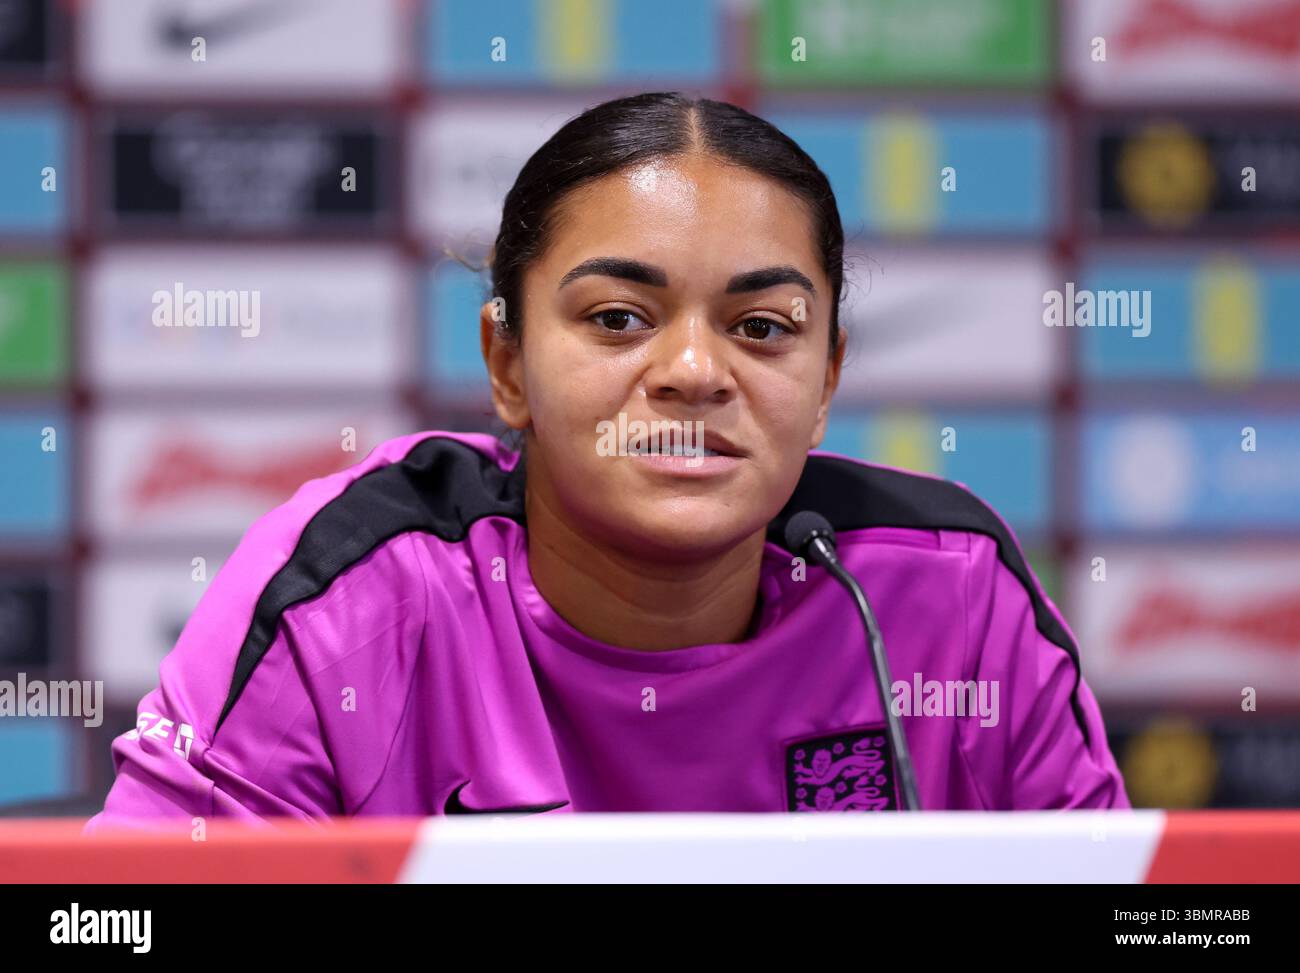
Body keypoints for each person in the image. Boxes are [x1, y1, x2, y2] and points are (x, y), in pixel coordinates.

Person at [86, 92, 1127, 829]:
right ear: (507, 362)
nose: (692, 371)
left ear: (825, 382)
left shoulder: (952, 601)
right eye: (619, 317)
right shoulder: (344, 600)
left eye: (762, 327)